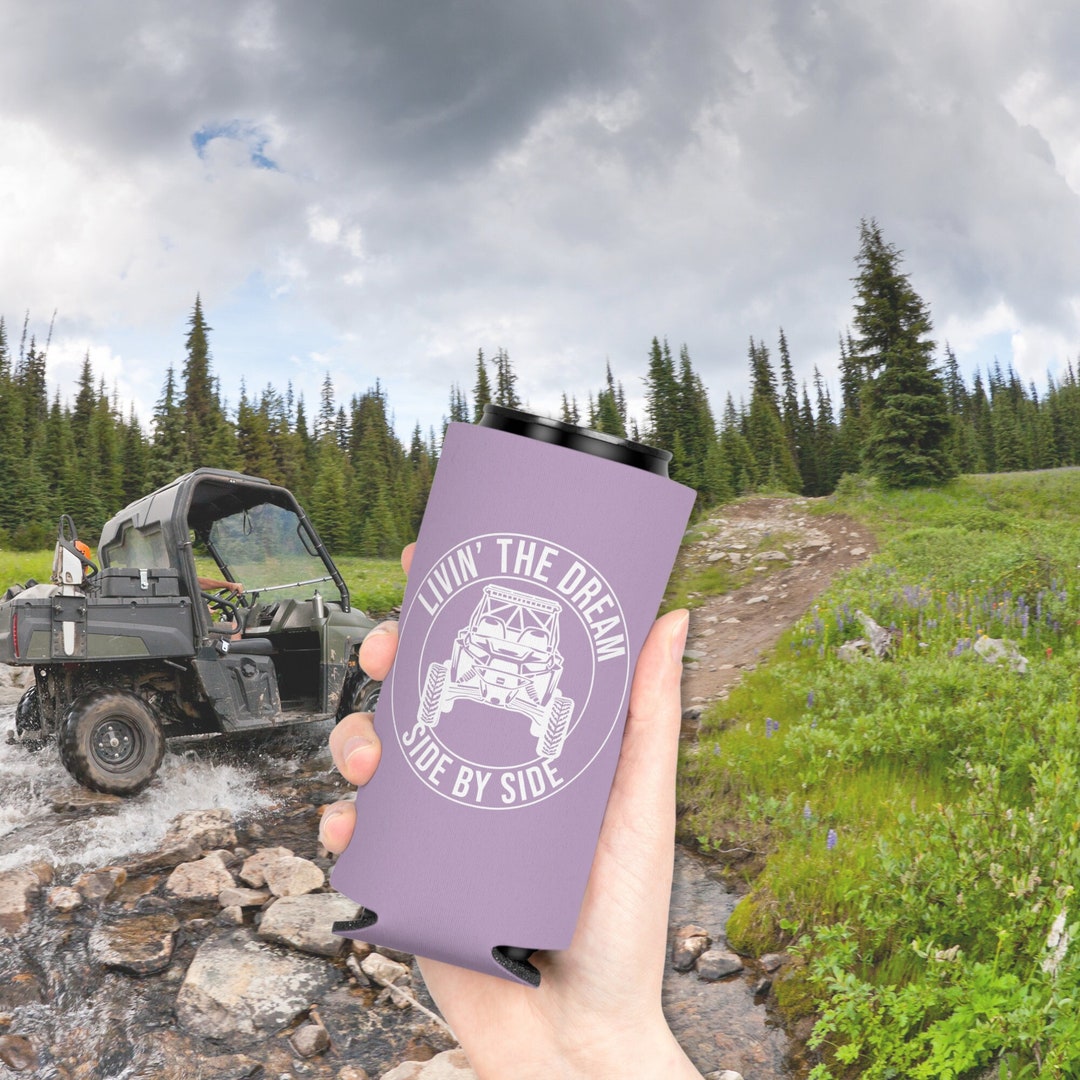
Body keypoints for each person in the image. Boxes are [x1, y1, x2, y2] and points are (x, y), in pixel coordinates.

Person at [319, 544, 704, 1079]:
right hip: (472, 664)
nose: (514, 632)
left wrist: (612, 1043)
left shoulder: (542, 656)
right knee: (400, 703)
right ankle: (396, 894)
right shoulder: (474, 638)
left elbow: (560, 715)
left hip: (570, 975)